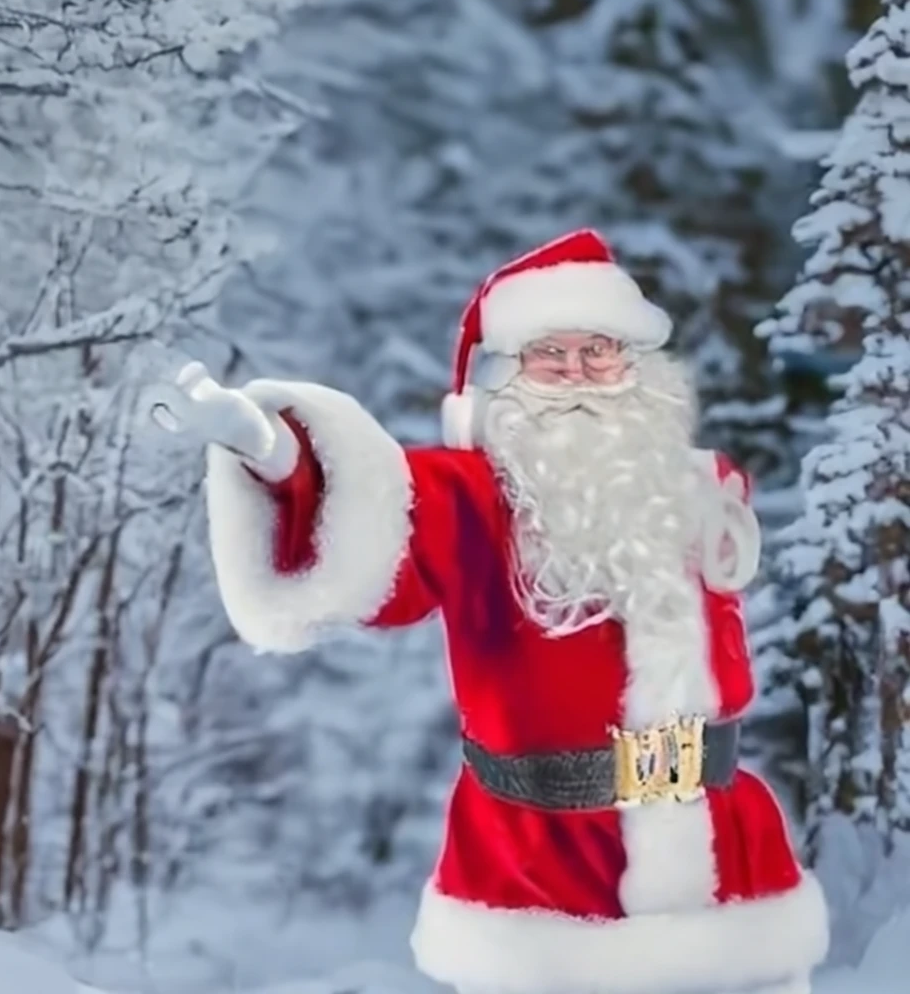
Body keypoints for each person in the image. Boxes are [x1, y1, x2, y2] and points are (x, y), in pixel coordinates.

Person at [148, 230, 829, 994]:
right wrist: (267, 450)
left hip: (720, 851)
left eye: (598, 352)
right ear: (512, 375)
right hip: (545, 866)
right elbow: (379, 510)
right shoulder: (475, 497)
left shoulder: (698, 487)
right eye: (550, 355)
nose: (576, 374)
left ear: (635, 366)